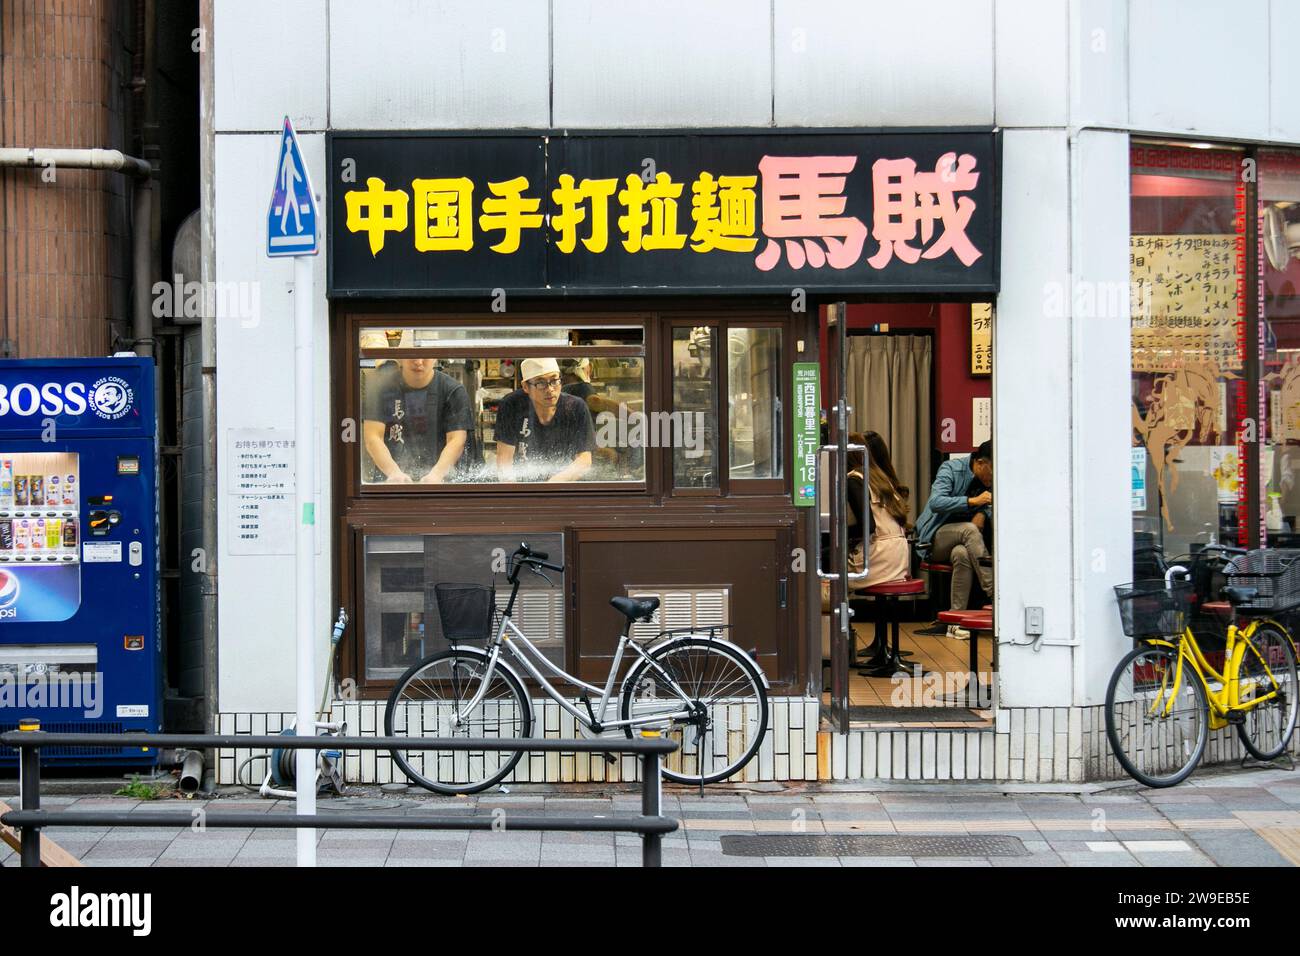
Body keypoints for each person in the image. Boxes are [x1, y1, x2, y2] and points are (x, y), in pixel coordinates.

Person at [915, 440, 994, 615]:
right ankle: (994, 593)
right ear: (980, 462)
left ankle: (955, 618)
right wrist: (972, 501)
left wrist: (983, 513)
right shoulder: (950, 468)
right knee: (969, 529)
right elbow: (936, 502)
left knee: (962, 554)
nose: (994, 476)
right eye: (992, 469)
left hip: (962, 541)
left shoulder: (989, 481)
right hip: (934, 539)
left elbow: (990, 506)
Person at [362, 357, 471, 483]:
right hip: (390, 482)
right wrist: (393, 473)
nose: (419, 362)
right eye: (412, 355)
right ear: (401, 358)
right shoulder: (382, 389)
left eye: (425, 356)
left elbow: (457, 439)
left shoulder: (453, 390)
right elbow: (373, 436)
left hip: (439, 483)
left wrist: (436, 475)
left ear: (435, 358)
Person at [495, 357, 597, 482]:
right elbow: (504, 460)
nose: (550, 389)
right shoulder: (511, 405)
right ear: (525, 387)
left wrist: (552, 485)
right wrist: (516, 496)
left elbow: (584, 460)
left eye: (554, 380)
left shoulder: (575, 407)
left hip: (564, 486)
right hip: (523, 487)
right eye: (541, 383)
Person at [846, 431, 911, 589]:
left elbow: (868, 527)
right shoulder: (880, 477)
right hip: (899, 559)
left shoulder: (854, 480)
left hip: (879, 559)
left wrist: (839, 534)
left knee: (820, 562)